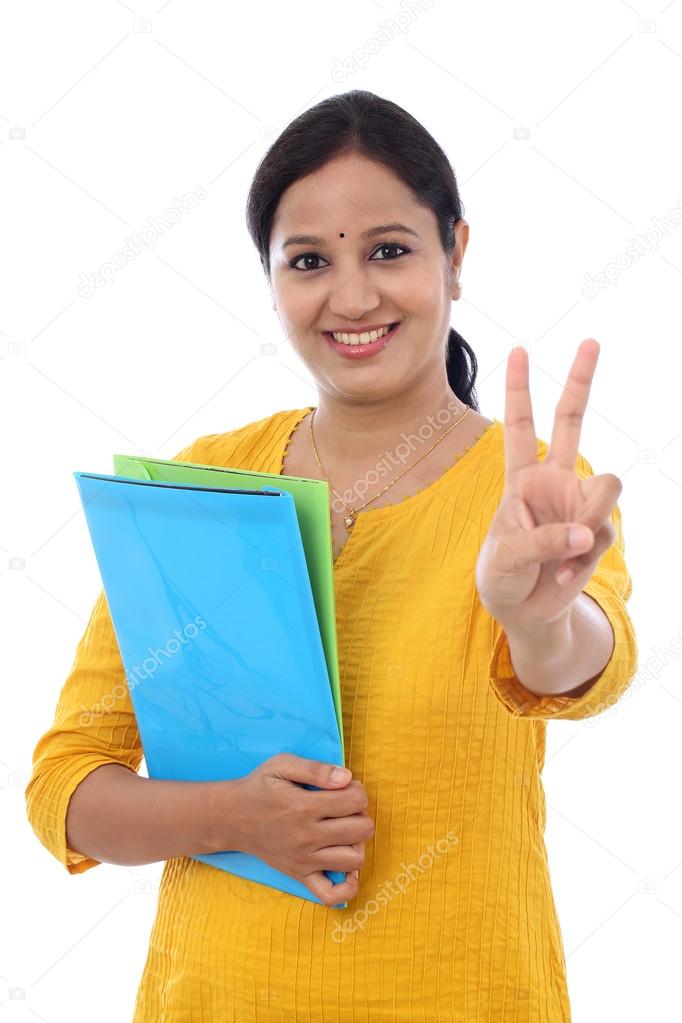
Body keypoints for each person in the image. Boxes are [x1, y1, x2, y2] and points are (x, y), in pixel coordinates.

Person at [25, 90, 638, 1021]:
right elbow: (66, 785)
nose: (353, 297)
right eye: (309, 261)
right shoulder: (200, 490)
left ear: (455, 254)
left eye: (390, 250)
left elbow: (585, 663)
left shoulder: (533, 496)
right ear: (272, 281)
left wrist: (534, 615)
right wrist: (230, 815)